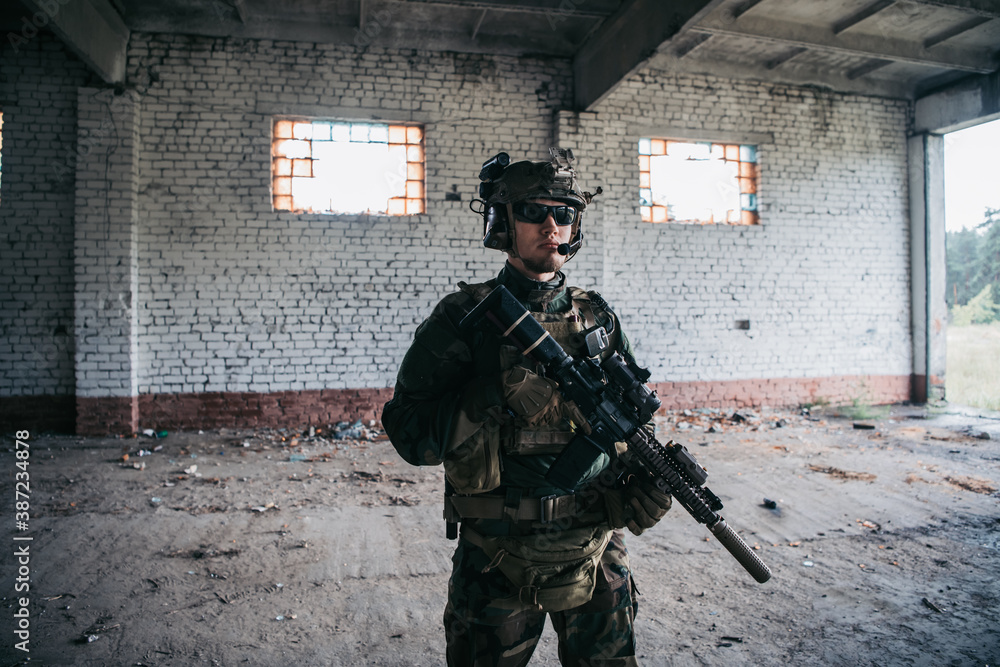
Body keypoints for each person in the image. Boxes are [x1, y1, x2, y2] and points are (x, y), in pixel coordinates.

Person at [382, 148, 672, 667]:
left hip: (595, 554)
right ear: (500, 223)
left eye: (563, 213)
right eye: (533, 212)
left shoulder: (596, 317)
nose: (552, 226)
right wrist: (490, 393)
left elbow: (626, 424)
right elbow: (410, 435)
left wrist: (643, 487)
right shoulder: (463, 318)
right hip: (498, 558)